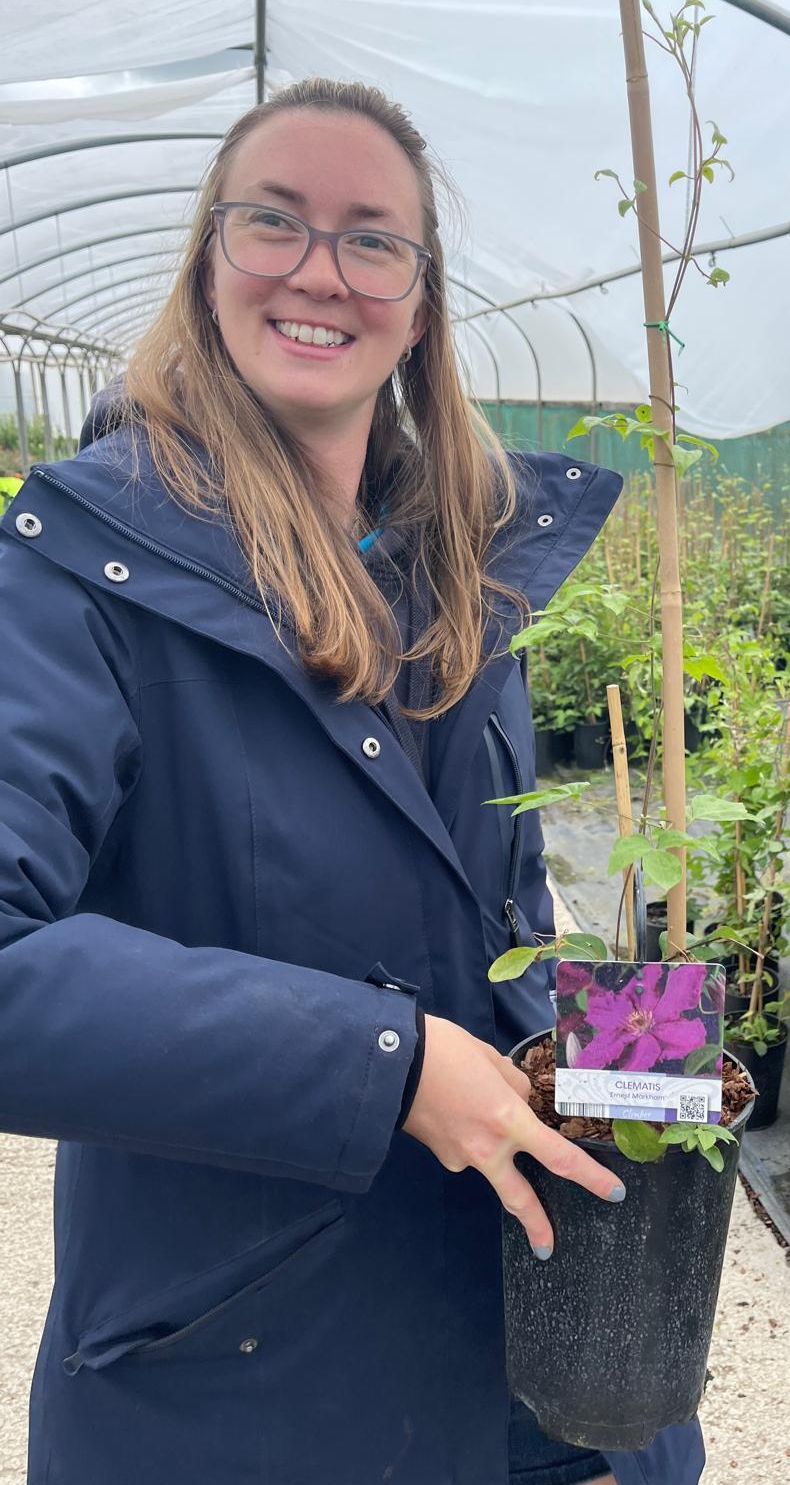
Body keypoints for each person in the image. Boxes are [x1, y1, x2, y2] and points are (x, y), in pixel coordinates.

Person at [0, 79, 704, 1485]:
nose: (320, 271)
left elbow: (499, 927)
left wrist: (658, 1085)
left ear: (425, 303)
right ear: (211, 261)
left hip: (493, 1347)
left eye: (372, 238)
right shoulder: (79, 581)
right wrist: (386, 1068)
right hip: (247, 1378)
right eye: (274, 223)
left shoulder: (460, 569)